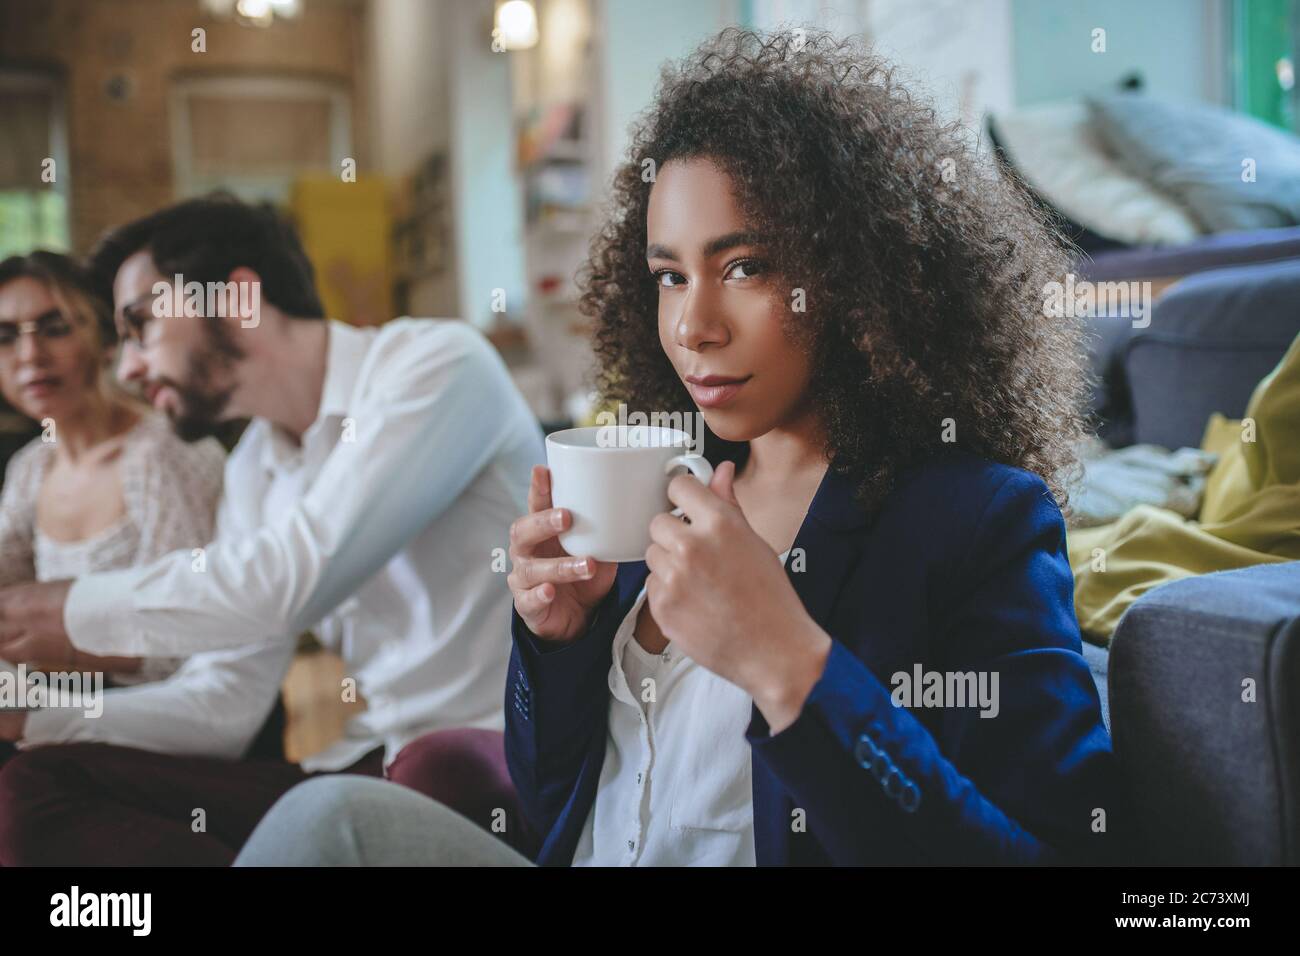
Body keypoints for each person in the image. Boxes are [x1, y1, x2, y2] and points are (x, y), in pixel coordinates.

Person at [234, 29, 1121, 867]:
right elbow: (556, 811)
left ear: (857, 274)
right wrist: (558, 644)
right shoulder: (662, 480)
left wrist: (790, 666)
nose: (693, 327)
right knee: (329, 822)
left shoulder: (973, 520)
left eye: (745, 268)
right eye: (669, 277)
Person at [0, 196, 544, 865]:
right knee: (38, 782)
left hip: (493, 767)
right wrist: (32, 717)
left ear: (239, 300)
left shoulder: (435, 364)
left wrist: (52, 612)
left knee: (414, 775)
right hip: (376, 760)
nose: (128, 369)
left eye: (142, 325)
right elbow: (225, 701)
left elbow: (294, 578)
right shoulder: (256, 463)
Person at [0, 251, 269, 767]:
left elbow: (185, 640)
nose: (29, 353)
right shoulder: (30, 469)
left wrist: (37, 654)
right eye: (6, 336)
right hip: (68, 716)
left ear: (105, 340)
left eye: (54, 328)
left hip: (177, 736)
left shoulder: (165, 454)